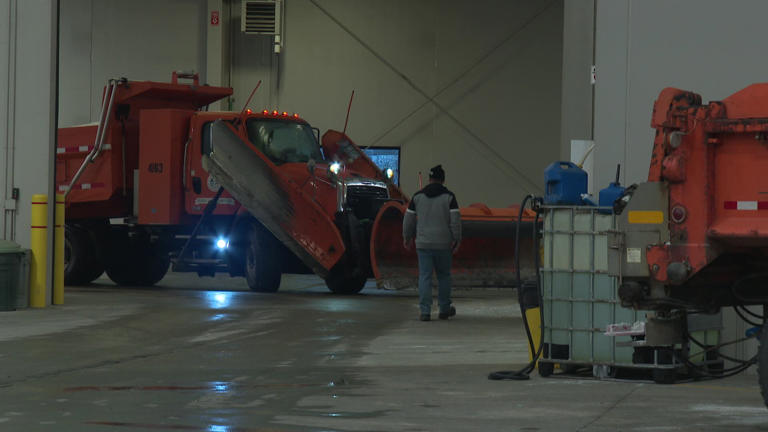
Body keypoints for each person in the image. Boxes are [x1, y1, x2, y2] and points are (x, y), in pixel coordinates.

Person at [402, 165, 461, 321]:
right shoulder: (450, 197)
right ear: (443, 180)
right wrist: (457, 239)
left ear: (429, 179)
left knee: (425, 276)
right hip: (443, 244)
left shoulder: (417, 197)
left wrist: (407, 237)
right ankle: (444, 309)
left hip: (423, 244)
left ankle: (425, 311)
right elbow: (455, 221)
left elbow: (408, 220)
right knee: (444, 276)